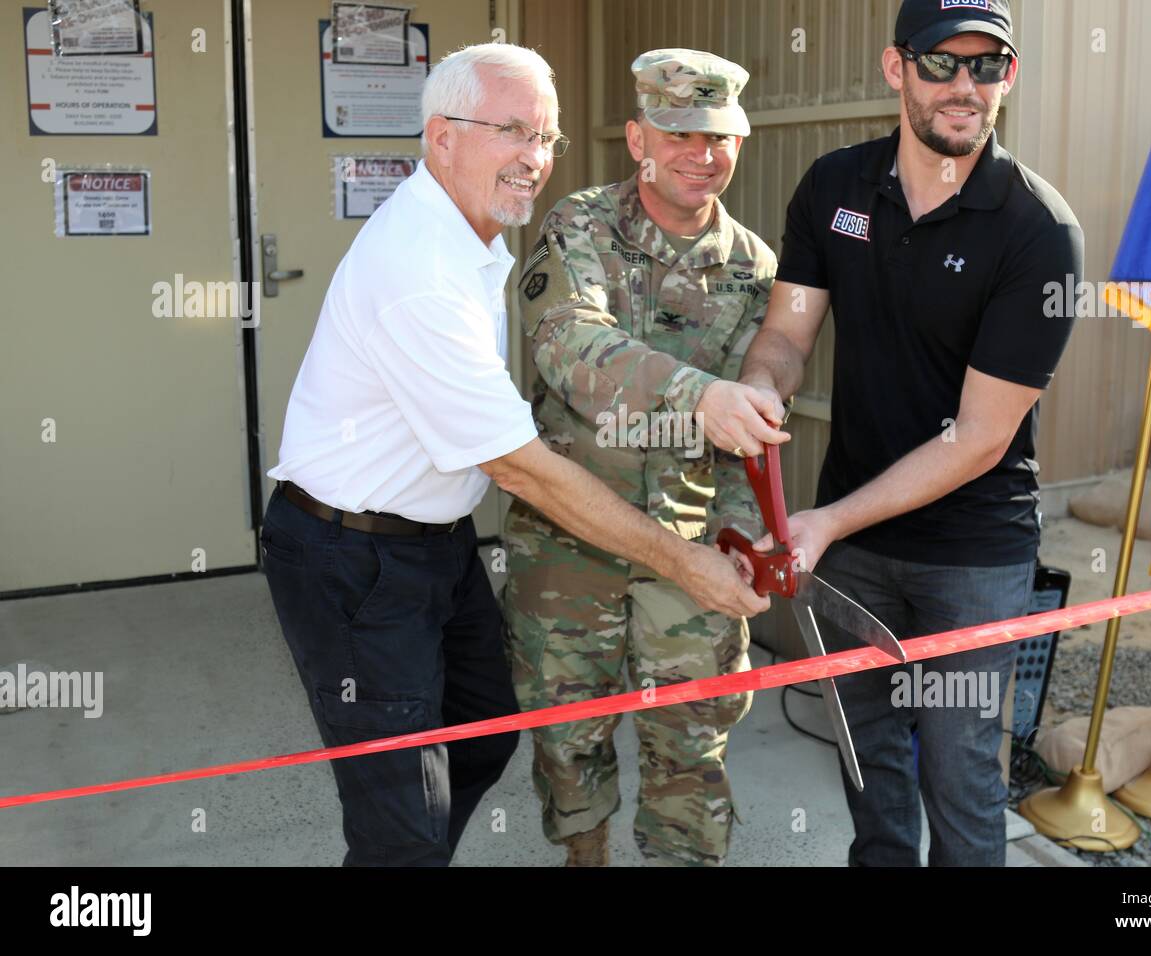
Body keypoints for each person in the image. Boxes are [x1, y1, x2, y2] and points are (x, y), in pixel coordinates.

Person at [260, 42, 767, 868]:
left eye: (546, 138)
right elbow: (530, 447)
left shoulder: (476, 235)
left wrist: (737, 535)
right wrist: (686, 531)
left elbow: (761, 396)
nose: (533, 158)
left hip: (437, 546)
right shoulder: (430, 264)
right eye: (512, 132)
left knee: (486, 725)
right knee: (404, 819)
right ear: (442, 138)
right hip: (354, 557)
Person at [740, 0, 1083, 866]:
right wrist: (758, 389)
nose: (965, 86)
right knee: (867, 758)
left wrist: (826, 522)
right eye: (941, 63)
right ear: (897, 69)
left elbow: (977, 439)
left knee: (963, 777)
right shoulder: (835, 187)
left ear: (1010, 77)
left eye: (988, 66)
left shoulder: (1040, 231)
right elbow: (788, 333)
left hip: (971, 553)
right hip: (854, 546)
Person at [504, 48, 784, 866]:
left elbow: (748, 440)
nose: (703, 155)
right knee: (567, 732)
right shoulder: (579, 225)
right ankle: (584, 856)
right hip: (569, 543)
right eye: (680, 134)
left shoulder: (753, 268)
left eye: (721, 138)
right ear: (638, 137)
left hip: (689, 552)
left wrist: (747, 538)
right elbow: (569, 345)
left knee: (693, 743)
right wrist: (700, 395)